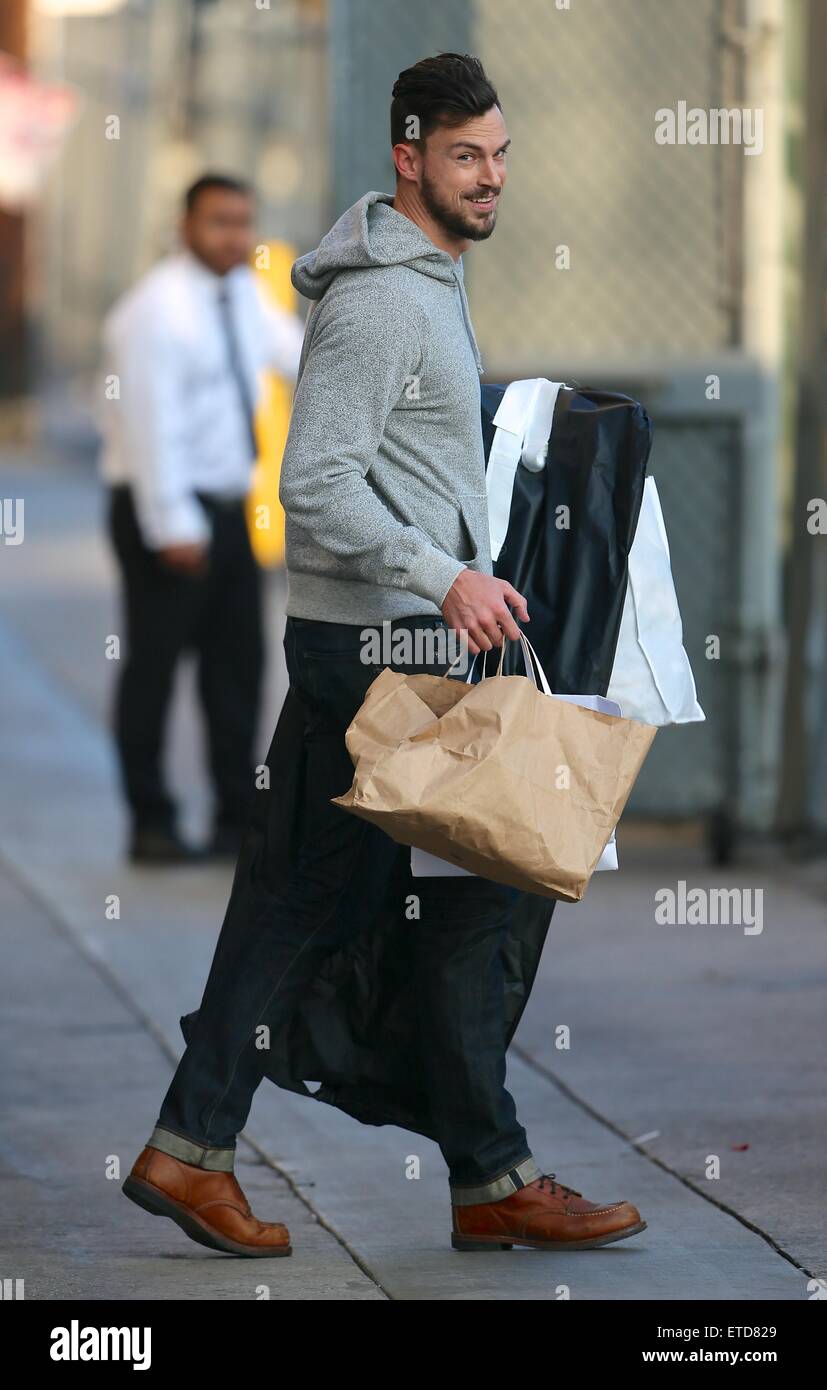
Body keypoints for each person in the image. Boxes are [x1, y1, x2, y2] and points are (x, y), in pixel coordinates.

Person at [122, 55, 646, 1255]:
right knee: (422, 902)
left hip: (387, 647)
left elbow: (397, 461)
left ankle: (452, 1170)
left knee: (359, 903)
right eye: (465, 156)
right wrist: (443, 574)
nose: (489, 178)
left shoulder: (428, 279)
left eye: (500, 155)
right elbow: (313, 482)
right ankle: (429, 1167)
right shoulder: (381, 300)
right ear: (407, 156)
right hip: (376, 653)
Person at [99, 174, 305, 864]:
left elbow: (293, 352)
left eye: (243, 223)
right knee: (155, 669)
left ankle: (232, 816)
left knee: (237, 667)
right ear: (185, 224)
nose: (234, 237)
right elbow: (150, 427)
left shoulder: (240, 294)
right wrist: (174, 525)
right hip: (165, 511)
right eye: (219, 222)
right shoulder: (156, 311)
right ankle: (150, 821)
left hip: (228, 511)